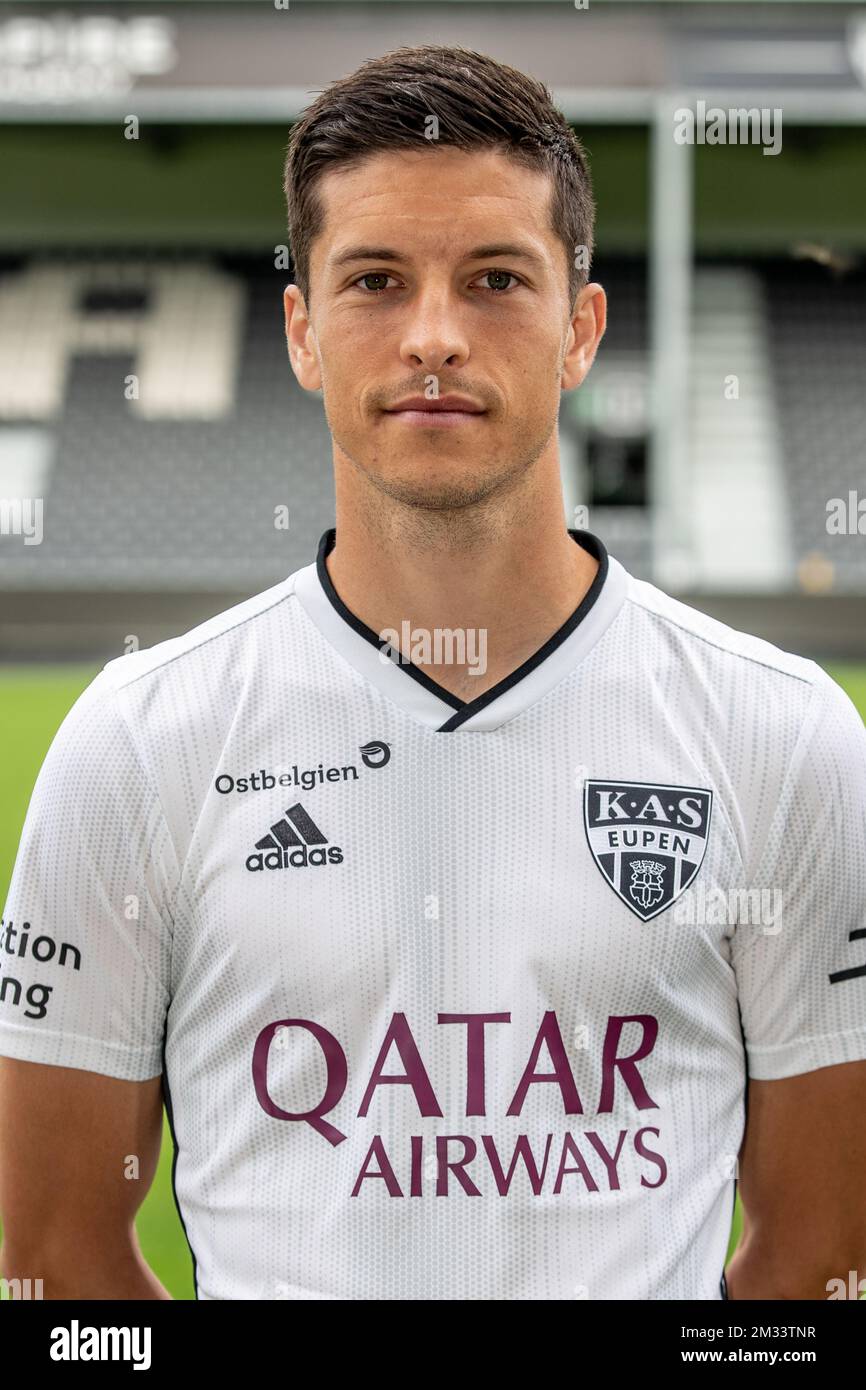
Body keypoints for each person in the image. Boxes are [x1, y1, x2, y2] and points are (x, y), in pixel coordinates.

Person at [1, 45, 865, 1301]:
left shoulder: (780, 735)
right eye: (373, 281)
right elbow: (52, 1265)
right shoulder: (139, 742)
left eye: (496, 278)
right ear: (301, 331)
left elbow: (822, 1260)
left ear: (579, 329)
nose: (434, 337)